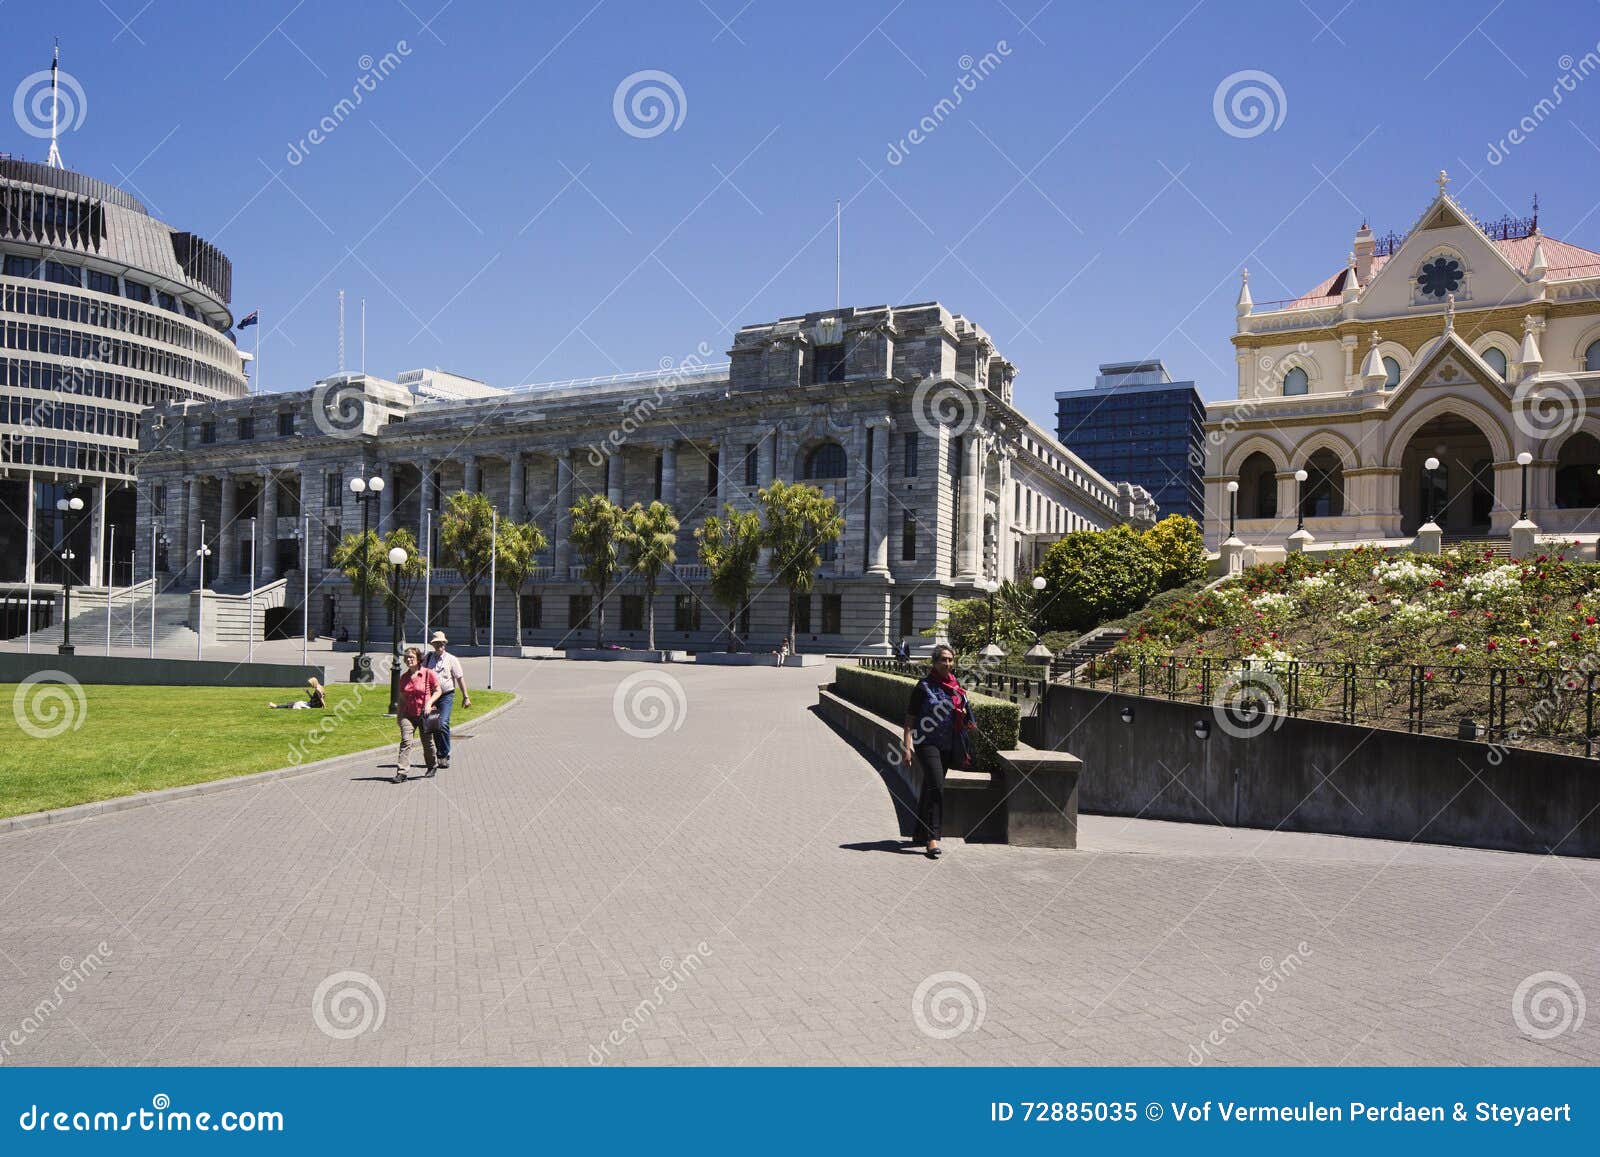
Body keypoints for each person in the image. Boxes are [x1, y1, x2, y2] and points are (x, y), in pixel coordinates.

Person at [901, 644, 972, 859]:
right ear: (934, 662)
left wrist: (961, 713)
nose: (947, 663)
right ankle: (932, 838)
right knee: (937, 787)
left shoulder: (956, 686)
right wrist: (906, 746)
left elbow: (965, 717)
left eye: (950, 659)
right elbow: (909, 719)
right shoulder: (923, 686)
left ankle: (918, 833)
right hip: (926, 743)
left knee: (930, 787)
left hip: (948, 744)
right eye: (942, 659)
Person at [423, 630, 470, 769]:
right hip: (432, 696)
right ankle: (440, 754)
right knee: (434, 725)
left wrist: (466, 697)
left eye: (441, 643)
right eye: (437, 643)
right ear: (433, 645)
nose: (439, 646)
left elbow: (459, 678)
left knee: (443, 723)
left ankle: (444, 755)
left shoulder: (451, 659)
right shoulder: (428, 658)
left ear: (445, 644)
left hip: (446, 696)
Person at [395, 646, 441, 783]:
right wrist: (399, 715)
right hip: (407, 714)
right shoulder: (404, 678)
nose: (409, 659)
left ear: (418, 659)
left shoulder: (427, 673)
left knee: (427, 742)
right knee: (406, 741)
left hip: (424, 714)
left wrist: (429, 704)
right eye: (406, 657)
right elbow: (401, 698)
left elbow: (438, 690)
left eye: (412, 657)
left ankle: (432, 766)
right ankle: (402, 772)